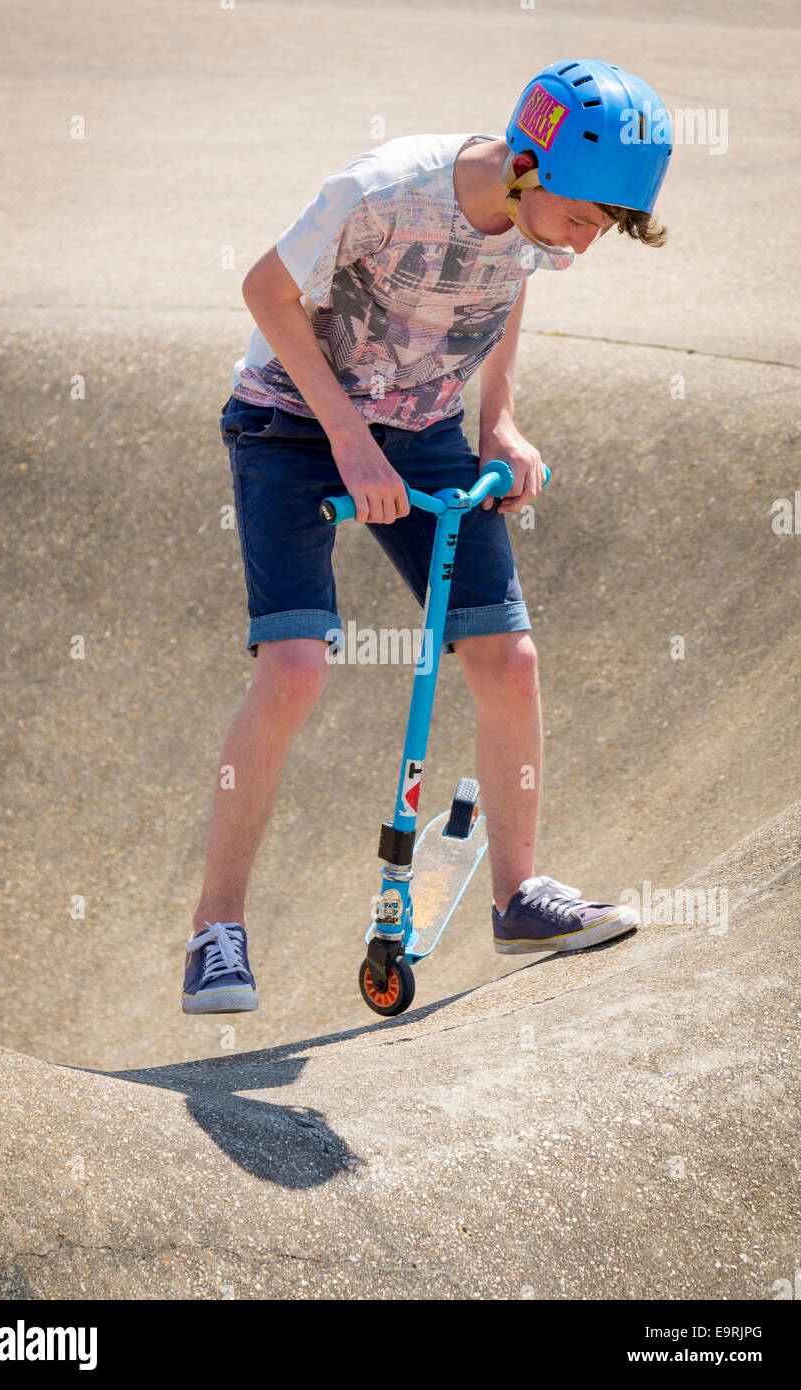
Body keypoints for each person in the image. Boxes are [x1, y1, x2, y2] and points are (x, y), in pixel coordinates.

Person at [182, 59, 672, 1014]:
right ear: (530, 161)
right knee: (295, 666)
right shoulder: (385, 190)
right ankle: (217, 928)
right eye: (583, 218)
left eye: (603, 228)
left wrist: (499, 421)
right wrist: (350, 441)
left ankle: (518, 895)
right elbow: (264, 290)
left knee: (509, 657)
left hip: (424, 433)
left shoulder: (542, 220)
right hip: (289, 424)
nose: (586, 242)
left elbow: (510, 282)